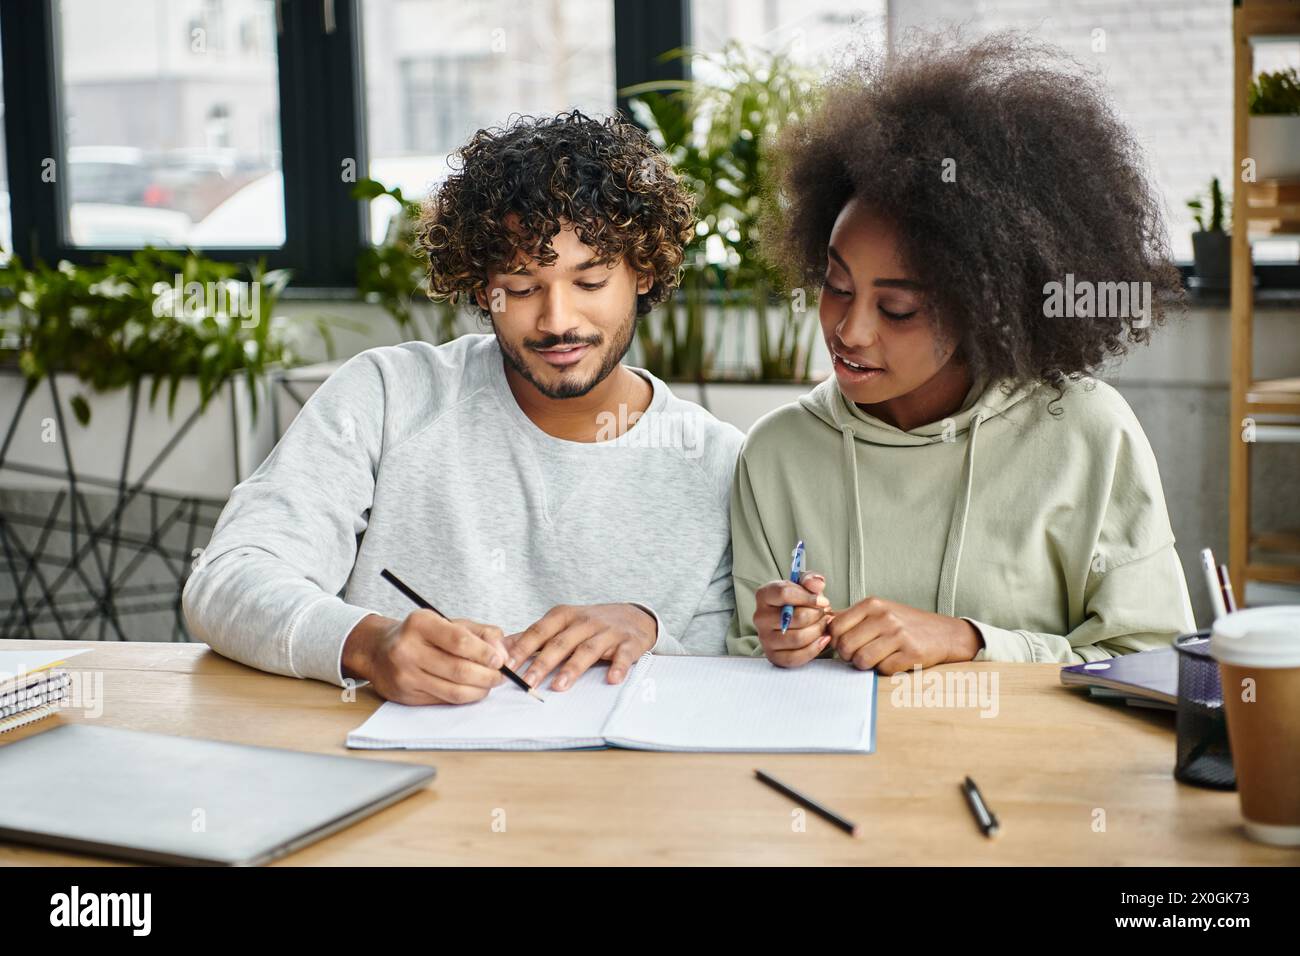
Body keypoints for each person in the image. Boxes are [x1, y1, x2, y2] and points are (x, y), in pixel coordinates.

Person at [184, 111, 743, 704]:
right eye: (523, 288)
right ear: (483, 288)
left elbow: (737, 671)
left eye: (590, 282)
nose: (558, 322)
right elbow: (226, 581)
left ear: (644, 274)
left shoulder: (718, 463)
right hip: (402, 780)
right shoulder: (388, 396)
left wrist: (648, 631)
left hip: (616, 791)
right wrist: (368, 644)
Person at [727, 35, 1195, 672]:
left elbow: (1157, 663)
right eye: (836, 288)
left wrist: (972, 643)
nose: (851, 330)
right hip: (832, 773)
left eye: (898, 310)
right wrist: (778, 643)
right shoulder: (777, 453)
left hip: (1029, 772)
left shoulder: (1087, 434)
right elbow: (745, 664)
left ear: (987, 307)